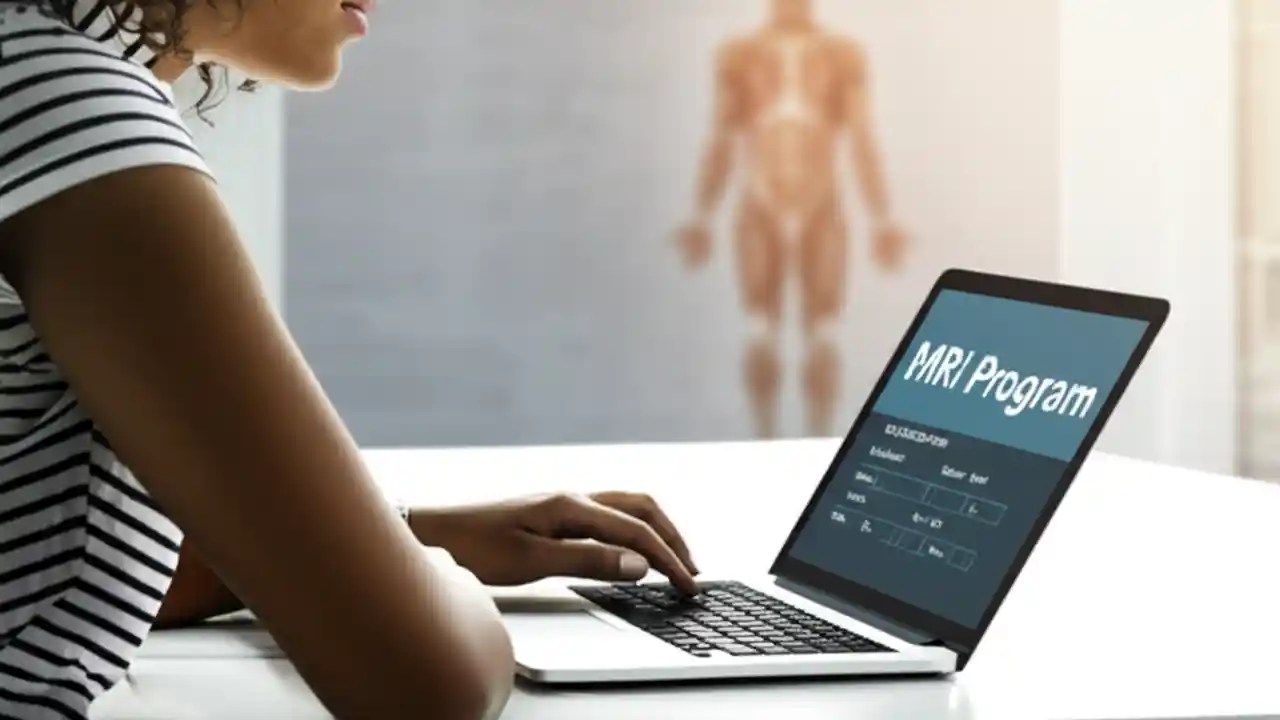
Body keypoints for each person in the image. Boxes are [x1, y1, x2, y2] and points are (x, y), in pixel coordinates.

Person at [0, 1, 700, 718]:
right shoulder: (60, 106)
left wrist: (388, 538)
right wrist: (420, 579)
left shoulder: (29, 64)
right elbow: (428, 688)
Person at [676, 0, 905, 439]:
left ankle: (819, 448)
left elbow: (861, 137)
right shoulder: (738, 54)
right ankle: (764, 443)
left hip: (820, 201)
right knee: (761, 330)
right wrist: (701, 215)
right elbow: (722, 137)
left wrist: (882, 218)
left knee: (822, 333)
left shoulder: (842, 53)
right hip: (760, 200)